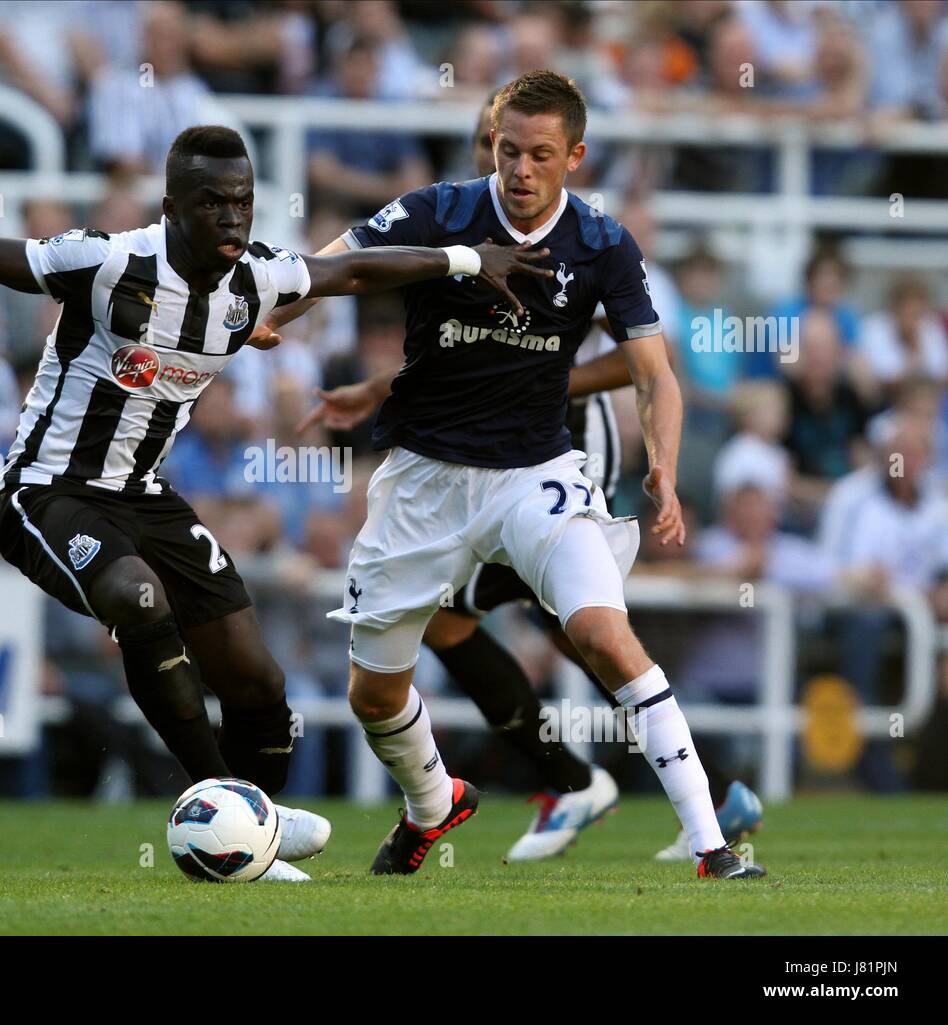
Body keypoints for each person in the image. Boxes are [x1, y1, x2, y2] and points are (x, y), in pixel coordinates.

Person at [0, 123, 549, 883]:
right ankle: (226, 809)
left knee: (258, 681)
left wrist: (473, 260)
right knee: (137, 600)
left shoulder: (254, 282)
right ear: (172, 207)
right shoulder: (110, 263)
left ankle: (244, 825)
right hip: (46, 491)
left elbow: (354, 269)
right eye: (213, 202)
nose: (231, 217)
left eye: (243, 201)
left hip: (143, 496)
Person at [258, 71, 766, 879]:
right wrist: (271, 310)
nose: (520, 171)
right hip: (424, 480)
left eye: (539, 155)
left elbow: (654, 375)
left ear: (575, 156)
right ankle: (435, 802)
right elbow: (343, 263)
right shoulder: (441, 211)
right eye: (507, 151)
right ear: (490, 143)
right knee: (374, 696)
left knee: (601, 634)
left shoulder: (602, 243)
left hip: (538, 473)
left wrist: (662, 467)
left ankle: (712, 845)